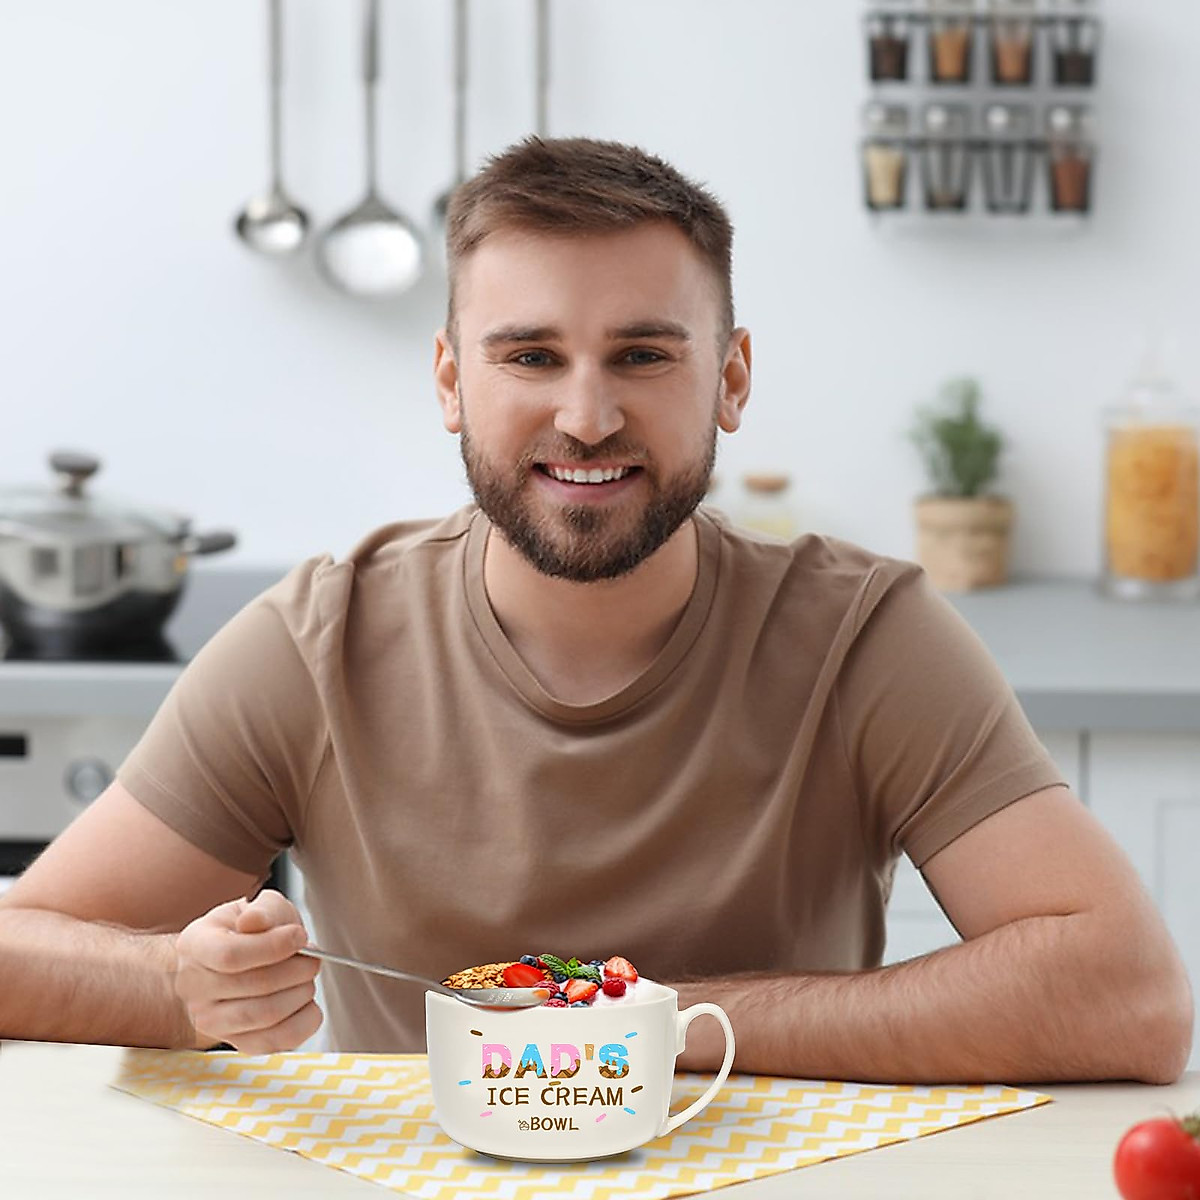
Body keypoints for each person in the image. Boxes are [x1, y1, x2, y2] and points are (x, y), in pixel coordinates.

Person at [0, 137, 1191, 1084]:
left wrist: (646, 1024)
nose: (584, 417)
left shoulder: (867, 639)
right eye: (528, 358)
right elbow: (21, 952)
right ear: (451, 382)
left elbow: (1129, 998)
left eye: (641, 356)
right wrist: (178, 988)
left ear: (730, 379)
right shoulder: (317, 644)